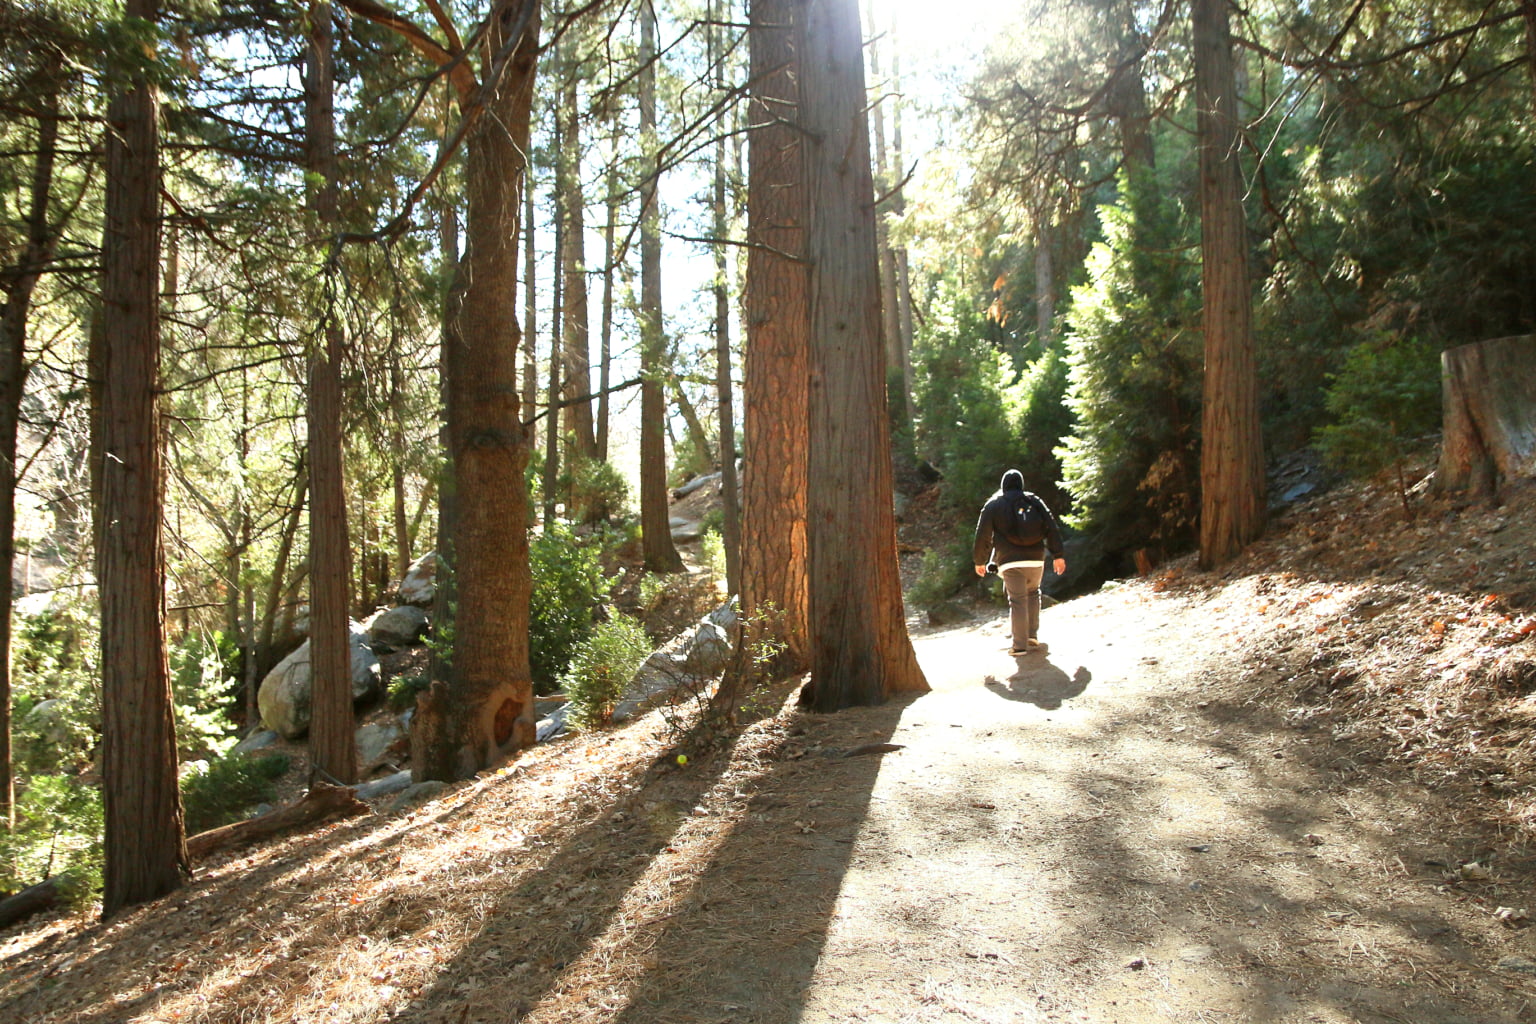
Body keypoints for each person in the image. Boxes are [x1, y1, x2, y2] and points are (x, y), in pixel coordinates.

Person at [972, 469, 1066, 656]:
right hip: (1036, 558)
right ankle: (1031, 636)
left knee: (1017, 600)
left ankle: (1020, 646)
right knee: (1033, 593)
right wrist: (1058, 555)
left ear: (1003, 485)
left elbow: (983, 534)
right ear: (1021, 484)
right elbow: (1051, 526)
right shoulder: (1034, 500)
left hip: (1009, 560)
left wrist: (979, 561)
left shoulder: (993, 504)